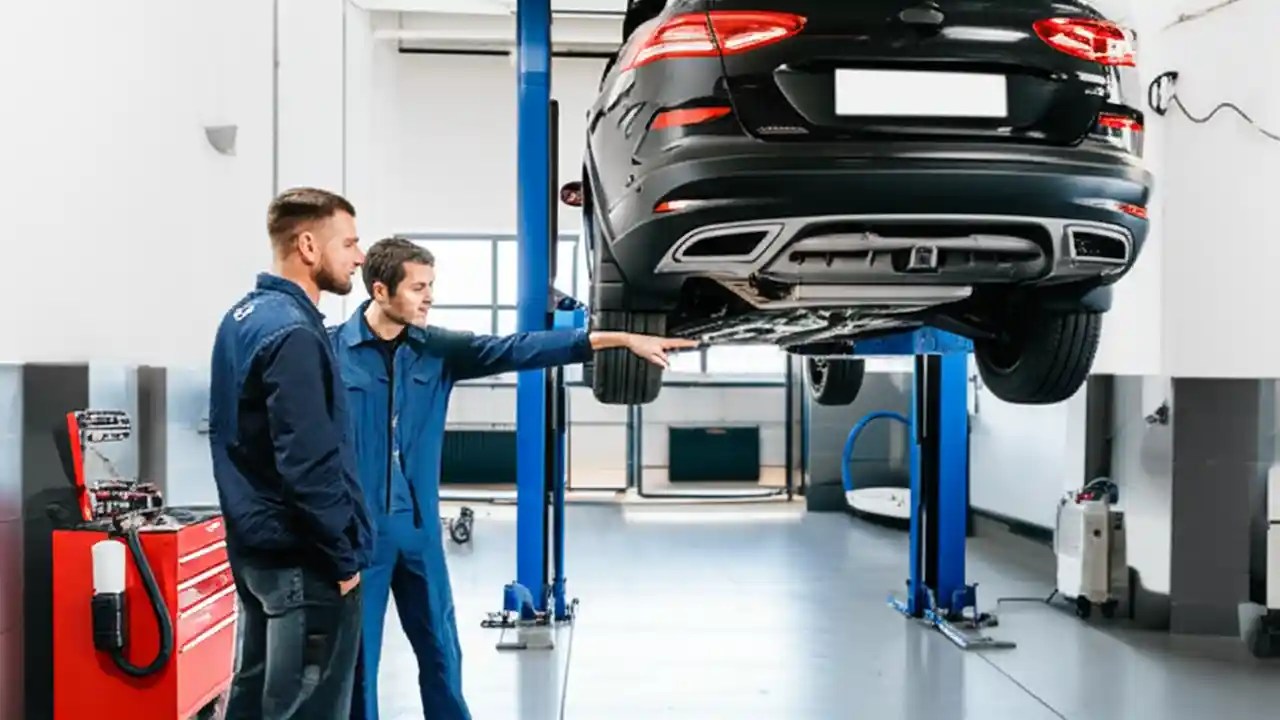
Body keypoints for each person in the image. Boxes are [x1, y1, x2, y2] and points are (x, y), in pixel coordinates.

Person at [332, 237, 697, 719]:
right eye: (419, 287)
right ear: (381, 290)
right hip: (361, 538)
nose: (429, 297)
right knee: (360, 667)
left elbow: (518, 349)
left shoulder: (437, 349)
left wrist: (620, 338)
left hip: (420, 535)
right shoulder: (330, 352)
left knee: (441, 655)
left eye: (431, 286)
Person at [208, 187, 375, 720]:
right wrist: (342, 560)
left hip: (257, 551)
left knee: (256, 699)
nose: (359, 255)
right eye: (348, 242)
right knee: (307, 706)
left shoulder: (241, 318)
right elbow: (307, 463)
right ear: (307, 245)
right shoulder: (294, 333)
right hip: (305, 559)